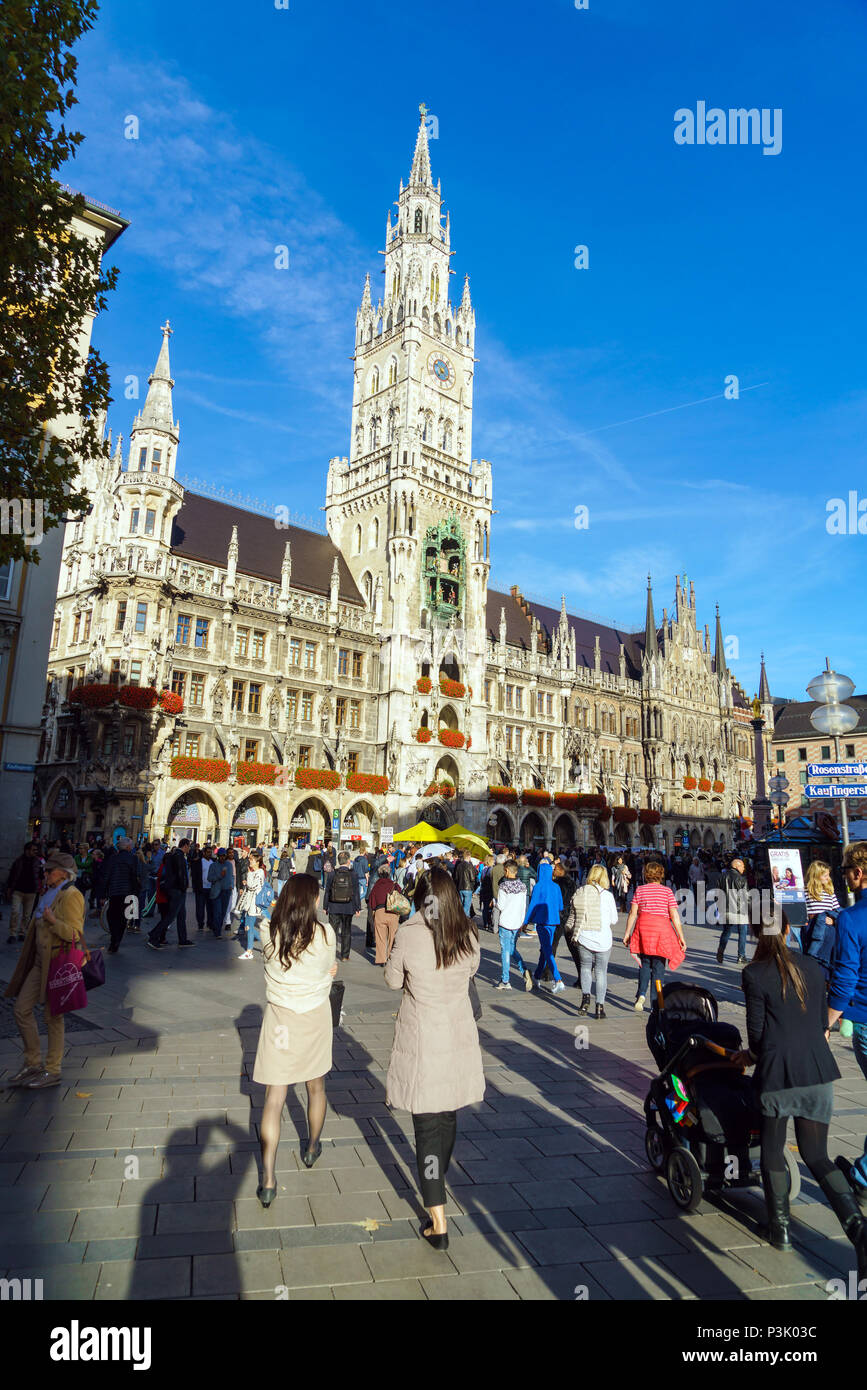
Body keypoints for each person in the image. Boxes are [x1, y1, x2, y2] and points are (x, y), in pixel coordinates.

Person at [739, 911, 867, 1276]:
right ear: (786, 929)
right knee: (817, 1155)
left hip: (778, 1076)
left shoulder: (754, 974)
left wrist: (744, 1058)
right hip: (818, 1072)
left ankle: (778, 1228)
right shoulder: (812, 967)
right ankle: (858, 1229)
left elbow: (758, 1040)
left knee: (772, 1149)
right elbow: (817, 1023)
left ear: (753, 932)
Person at [385, 868, 485, 1249]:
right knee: (447, 1113)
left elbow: (394, 981)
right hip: (457, 1034)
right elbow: (471, 971)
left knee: (426, 1125)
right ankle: (436, 1178)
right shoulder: (467, 933)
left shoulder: (410, 935)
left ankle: (438, 1220)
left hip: (423, 1039)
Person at [253, 874, 338, 1206]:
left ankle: (269, 1179)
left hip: (280, 1021)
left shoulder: (268, 932)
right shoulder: (326, 935)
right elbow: (326, 969)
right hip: (315, 1017)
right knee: (315, 1087)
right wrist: (326, 974)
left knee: (274, 1098)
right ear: (312, 901)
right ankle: (313, 1146)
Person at [4, 851, 86, 1088]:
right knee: (21, 1009)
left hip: (57, 962)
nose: (45, 873)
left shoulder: (71, 895)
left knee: (53, 1016)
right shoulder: (50, 892)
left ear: (62, 873)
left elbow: (74, 934)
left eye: (49, 870)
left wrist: (52, 922)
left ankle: (52, 1069)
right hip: (39, 962)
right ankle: (32, 1063)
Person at [827, 843, 867, 1210]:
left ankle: (863, 1177)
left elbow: (845, 977)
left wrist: (827, 1022)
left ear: (857, 874)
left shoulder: (851, 919)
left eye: (845, 873)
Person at [623, 859, 685, 1011]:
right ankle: (656, 1001)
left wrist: (627, 933)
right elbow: (674, 915)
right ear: (661, 875)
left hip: (644, 927)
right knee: (658, 966)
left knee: (644, 963)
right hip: (661, 929)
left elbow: (632, 913)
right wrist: (680, 935)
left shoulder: (640, 890)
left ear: (646, 875)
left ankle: (642, 994)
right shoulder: (667, 891)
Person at [565, 864, 618, 1019]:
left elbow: (573, 911)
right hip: (603, 939)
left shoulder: (581, 892)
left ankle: (585, 998)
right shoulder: (607, 896)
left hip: (584, 937)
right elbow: (614, 920)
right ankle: (600, 1007)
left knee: (585, 968)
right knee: (601, 972)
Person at [524, 860, 564, 993]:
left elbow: (533, 905)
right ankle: (536, 976)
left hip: (542, 922)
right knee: (545, 949)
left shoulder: (539, 886)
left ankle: (558, 979)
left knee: (547, 950)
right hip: (553, 922)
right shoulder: (556, 886)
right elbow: (560, 906)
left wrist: (525, 922)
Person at [493, 859, 533, 991]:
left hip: (505, 922)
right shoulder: (522, 886)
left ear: (506, 871)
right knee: (511, 949)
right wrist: (522, 921)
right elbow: (523, 906)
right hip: (517, 922)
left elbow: (501, 905)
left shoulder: (504, 886)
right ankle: (524, 969)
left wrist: (495, 902)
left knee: (505, 951)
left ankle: (505, 980)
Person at [147, 839, 193, 950]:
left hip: (177, 889)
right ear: (185, 845)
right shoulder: (179, 856)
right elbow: (180, 874)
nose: (189, 849)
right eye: (189, 846)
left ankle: (183, 939)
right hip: (177, 890)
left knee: (181, 916)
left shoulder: (175, 855)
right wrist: (183, 886)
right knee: (171, 916)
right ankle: (154, 935)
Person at [803, 859, 841, 980]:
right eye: (825, 875)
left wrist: (834, 921)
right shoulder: (805, 892)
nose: (828, 878)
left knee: (828, 964)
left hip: (829, 932)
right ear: (817, 875)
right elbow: (798, 910)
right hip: (812, 931)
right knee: (814, 964)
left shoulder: (830, 892)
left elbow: (838, 911)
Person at [105, 836, 142, 954]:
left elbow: (106, 875)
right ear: (128, 847)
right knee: (122, 918)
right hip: (127, 892)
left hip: (114, 892)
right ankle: (116, 940)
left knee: (111, 915)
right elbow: (135, 875)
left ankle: (114, 938)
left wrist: (102, 893)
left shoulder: (112, 858)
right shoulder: (133, 858)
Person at [324, 850, 360, 961]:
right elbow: (356, 892)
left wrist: (325, 906)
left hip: (334, 906)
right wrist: (357, 907)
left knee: (332, 931)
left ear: (339, 861)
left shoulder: (332, 873)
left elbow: (327, 891)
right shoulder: (353, 874)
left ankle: (330, 954)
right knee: (346, 931)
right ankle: (344, 956)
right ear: (348, 861)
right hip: (348, 906)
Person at [716, 855, 751, 966]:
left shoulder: (721, 877)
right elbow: (746, 897)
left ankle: (721, 950)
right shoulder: (741, 879)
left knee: (726, 931)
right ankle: (741, 956)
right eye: (742, 866)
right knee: (742, 933)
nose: (744, 869)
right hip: (740, 910)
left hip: (726, 910)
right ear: (736, 866)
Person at [6, 843, 41, 944]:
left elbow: (41, 875)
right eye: (33, 850)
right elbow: (11, 875)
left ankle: (22, 932)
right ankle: (12, 933)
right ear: (27, 850)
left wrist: (41, 887)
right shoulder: (18, 861)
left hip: (31, 892)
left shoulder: (37, 862)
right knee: (15, 912)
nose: (35, 852)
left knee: (27, 915)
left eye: (36, 850)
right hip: (18, 891)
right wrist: (9, 889)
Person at [368, 863, 400, 966]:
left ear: (379, 874)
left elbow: (372, 902)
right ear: (389, 873)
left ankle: (382, 960)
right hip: (393, 913)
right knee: (392, 937)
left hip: (380, 912)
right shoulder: (394, 885)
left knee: (380, 938)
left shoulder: (376, 886)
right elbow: (400, 895)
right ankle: (391, 958)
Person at [453, 849, 476, 919]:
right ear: (469, 856)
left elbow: (456, 877)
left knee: (462, 905)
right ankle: (465, 920)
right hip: (468, 888)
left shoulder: (459, 865)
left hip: (460, 887)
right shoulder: (469, 866)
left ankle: (460, 918)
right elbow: (472, 878)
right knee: (466, 906)